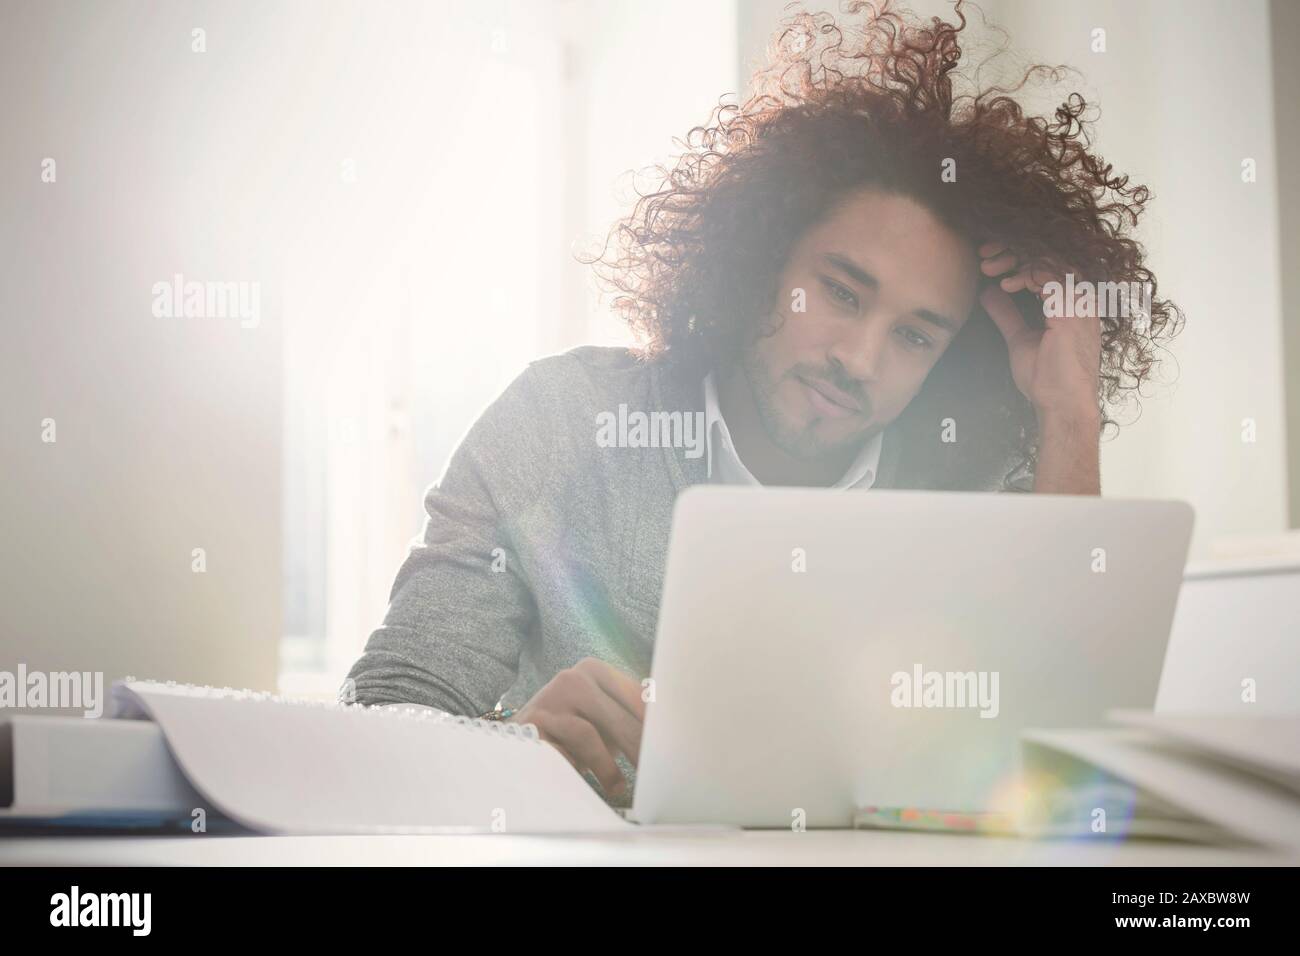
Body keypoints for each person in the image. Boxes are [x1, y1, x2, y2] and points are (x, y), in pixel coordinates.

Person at [344, 0, 1182, 804]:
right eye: (843, 293)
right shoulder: (558, 419)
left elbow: (1056, 761)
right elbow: (387, 712)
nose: (859, 359)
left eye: (916, 337)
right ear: (760, 265)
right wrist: (514, 753)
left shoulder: (972, 494)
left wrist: (1069, 416)